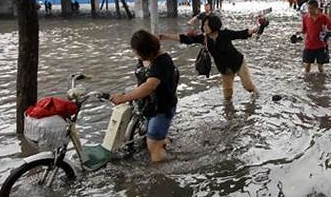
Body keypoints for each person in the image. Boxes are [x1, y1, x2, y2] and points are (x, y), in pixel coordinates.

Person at [110, 30, 179, 163]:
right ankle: (162, 140)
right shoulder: (148, 58)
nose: (136, 55)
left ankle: (160, 173)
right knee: (154, 138)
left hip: (161, 109)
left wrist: (123, 98)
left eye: (137, 52)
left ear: (146, 51)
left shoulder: (162, 62)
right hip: (149, 105)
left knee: (153, 146)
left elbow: (149, 87)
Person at [160, 15, 258, 100]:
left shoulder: (225, 34)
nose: (204, 27)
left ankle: (256, 98)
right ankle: (229, 113)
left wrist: (253, 30)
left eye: (207, 25)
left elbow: (240, 34)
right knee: (227, 95)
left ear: (214, 25)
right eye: (204, 25)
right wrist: (165, 36)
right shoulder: (204, 38)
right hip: (224, 69)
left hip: (238, 63)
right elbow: (186, 39)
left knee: (247, 86)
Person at [300, 0, 331, 73]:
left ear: (316, 8)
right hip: (309, 45)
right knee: (307, 68)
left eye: (311, 8)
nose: (309, 10)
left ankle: (321, 82)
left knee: (320, 68)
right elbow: (304, 30)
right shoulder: (305, 17)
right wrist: (298, 33)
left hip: (321, 45)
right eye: (308, 8)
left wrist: (328, 34)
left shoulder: (324, 17)